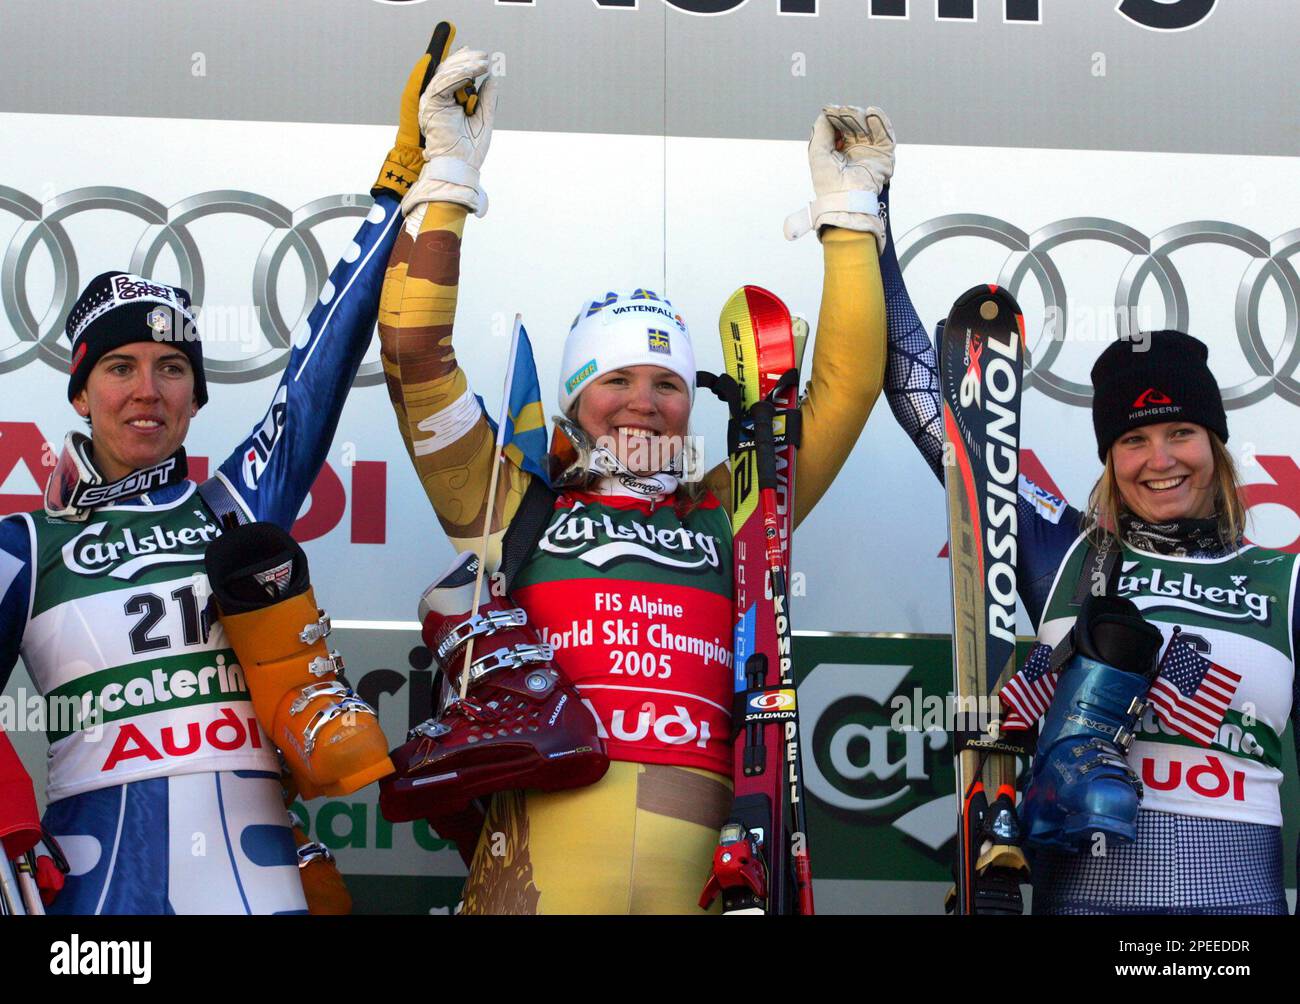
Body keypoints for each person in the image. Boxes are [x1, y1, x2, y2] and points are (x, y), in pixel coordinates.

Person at [378, 43, 894, 913]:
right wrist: (449, 180)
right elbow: (413, 357)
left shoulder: (736, 513)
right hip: (533, 877)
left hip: (704, 877)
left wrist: (848, 216)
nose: (644, 405)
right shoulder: (510, 503)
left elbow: (848, 387)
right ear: (577, 400)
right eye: (615, 380)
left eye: (667, 385)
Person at [0, 37, 444, 913]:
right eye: (119, 368)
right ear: (81, 393)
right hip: (99, 900)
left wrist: (401, 188)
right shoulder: (23, 542)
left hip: (264, 885)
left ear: (197, 399)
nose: (145, 391)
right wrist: (10, 830)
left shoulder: (236, 507)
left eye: (171, 369)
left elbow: (317, 370)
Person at [877, 186, 1300, 914]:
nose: (1159, 459)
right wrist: (866, 223)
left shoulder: (1286, 581)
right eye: (1133, 440)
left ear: (1215, 444)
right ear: (1110, 458)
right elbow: (931, 403)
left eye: (1180, 433)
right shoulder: (1065, 555)